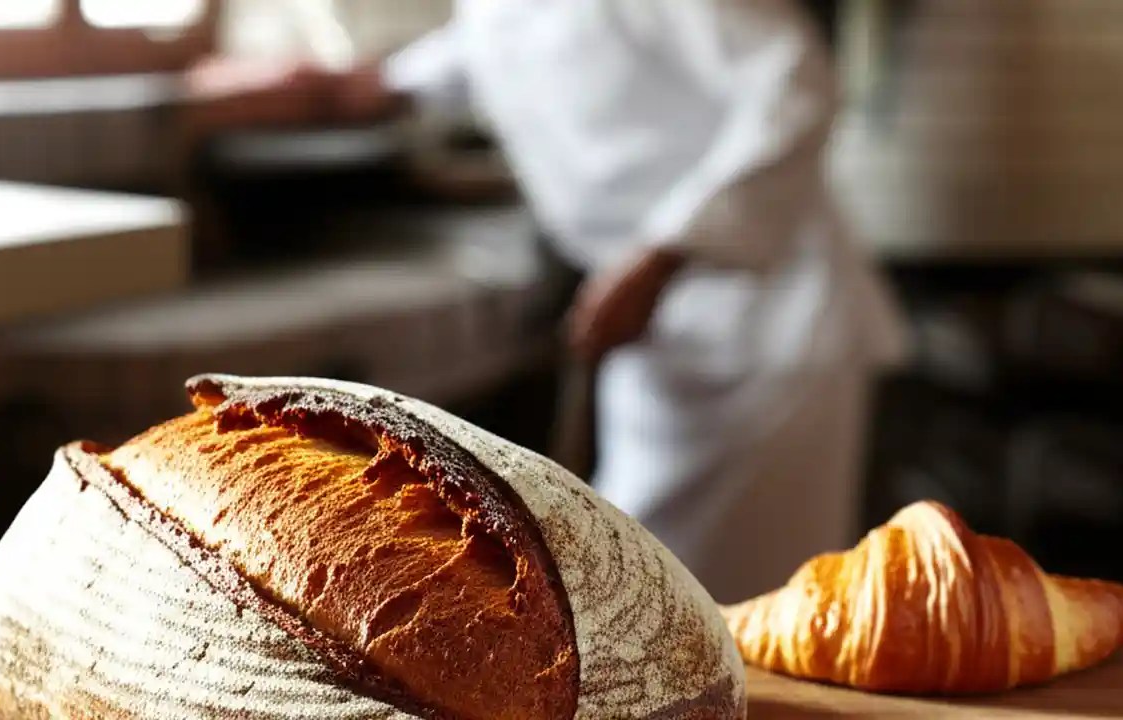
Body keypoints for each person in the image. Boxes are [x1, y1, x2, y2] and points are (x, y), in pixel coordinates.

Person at [189, 0, 906, 603]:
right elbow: (443, 67)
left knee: (731, 608)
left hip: (770, 328)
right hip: (662, 343)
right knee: (642, 595)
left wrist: (661, 256)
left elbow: (797, 82)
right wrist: (298, 89)